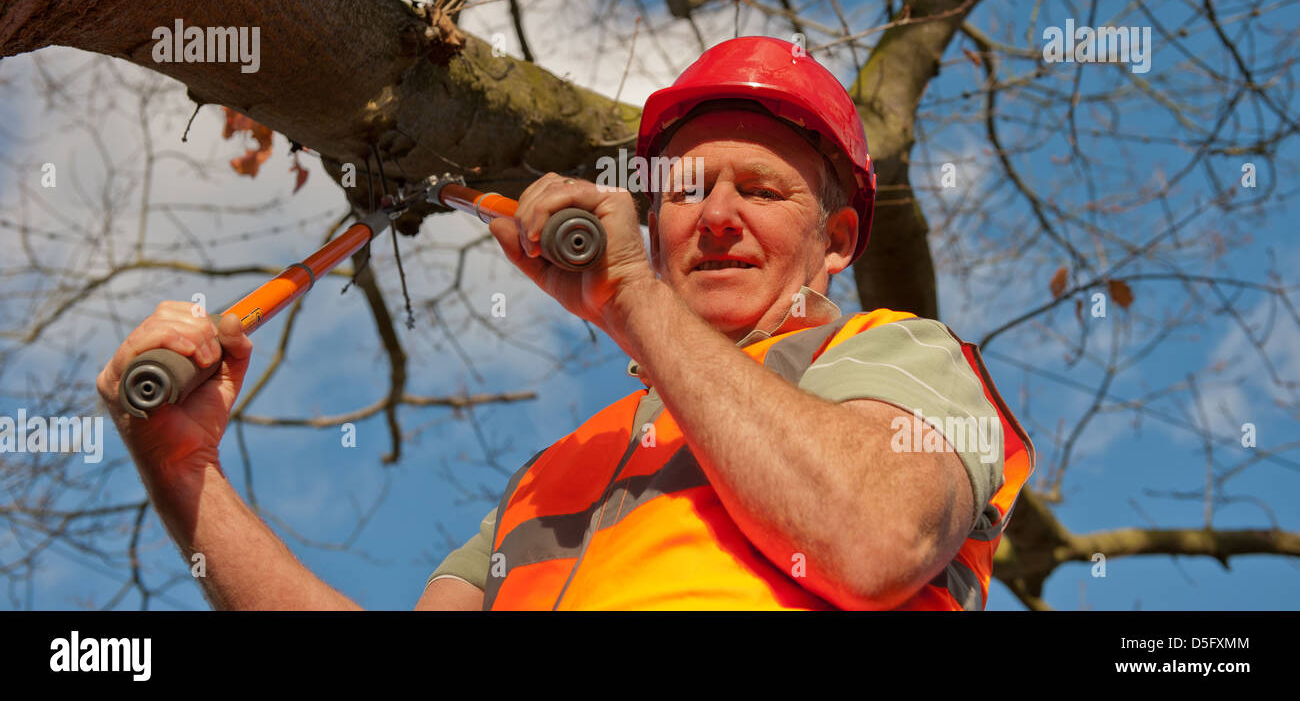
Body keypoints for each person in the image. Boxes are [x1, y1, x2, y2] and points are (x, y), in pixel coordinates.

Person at [97, 35, 1033, 611]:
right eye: (685, 189)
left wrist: (630, 298)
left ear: (835, 241)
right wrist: (185, 475)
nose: (714, 215)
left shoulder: (899, 358)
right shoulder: (555, 476)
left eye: (760, 189)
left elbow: (873, 539)